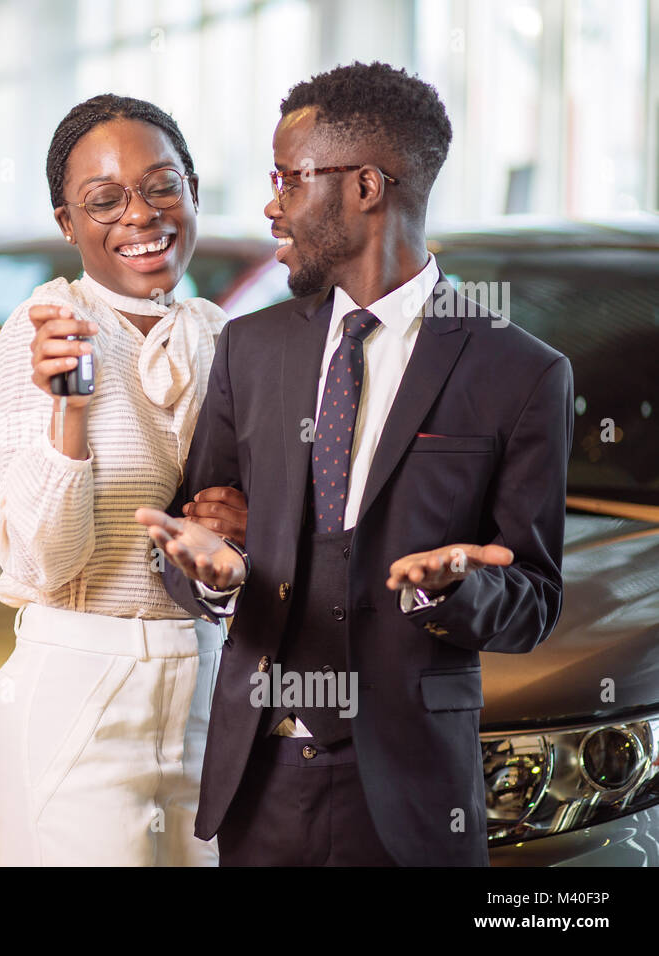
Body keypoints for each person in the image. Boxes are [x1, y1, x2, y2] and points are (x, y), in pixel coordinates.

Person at [136, 62, 573, 866]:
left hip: (411, 800)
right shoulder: (251, 348)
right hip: (259, 780)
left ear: (366, 185)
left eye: (288, 179)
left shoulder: (520, 371)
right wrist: (215, 575)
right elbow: (190, 535)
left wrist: (454, 589)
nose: (271, 204)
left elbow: (534, 600)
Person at [0, 93, 245, 866]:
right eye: (104, 200)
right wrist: (70, 415)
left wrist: (238, 526)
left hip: (207, 689)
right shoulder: (44, 334)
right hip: (79, 692)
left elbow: (256, 553)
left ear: (193, 190)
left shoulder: (223, 339)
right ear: (68, 223)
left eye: (163, 185)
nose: (140, 214)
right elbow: (42, 564)